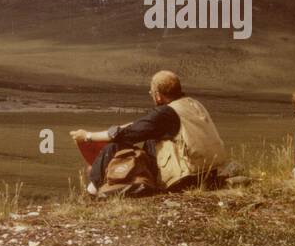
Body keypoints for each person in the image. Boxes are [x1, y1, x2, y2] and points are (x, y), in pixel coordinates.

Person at [71, 70, 228, 195]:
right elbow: (145, 127)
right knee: (152, 141)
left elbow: (127, 135)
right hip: (210, 173)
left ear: (158, 95)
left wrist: (87, 136)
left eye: (151, 92)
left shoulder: (165, 113)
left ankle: (91, 193)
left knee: (113, 147)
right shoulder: (194, 104)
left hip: (185, 179)